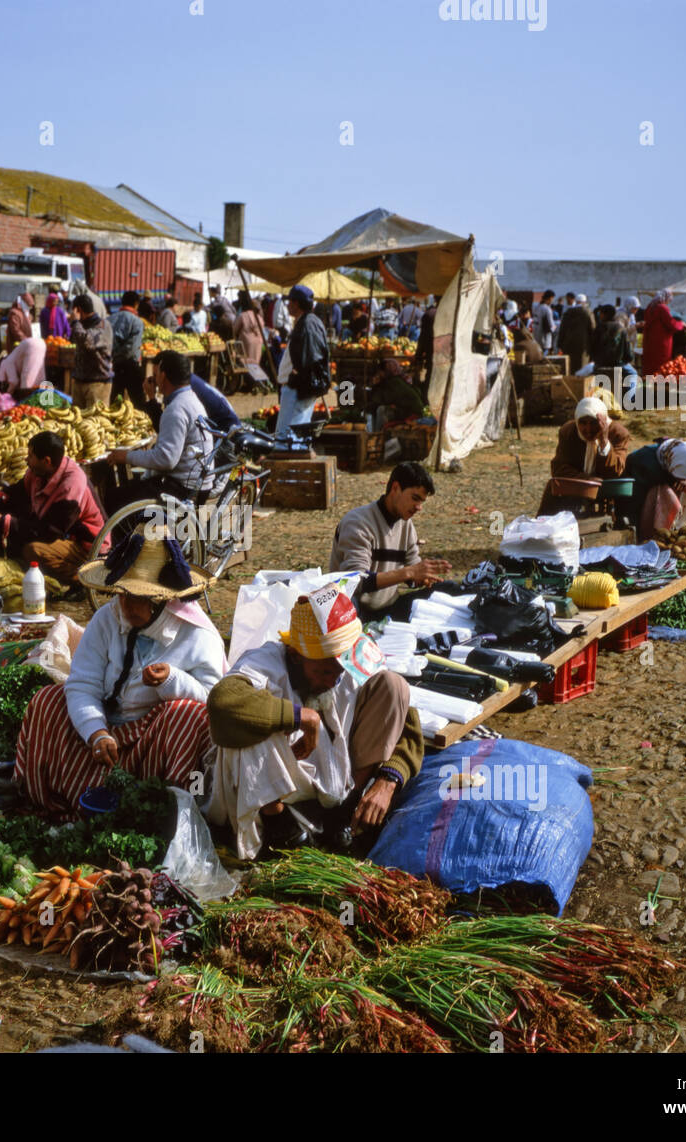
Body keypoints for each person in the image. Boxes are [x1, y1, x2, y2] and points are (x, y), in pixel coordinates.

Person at [15, 527, 225, 814]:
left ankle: (164, 812)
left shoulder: (198, 636)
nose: (125, 605)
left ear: (162, 599)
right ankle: (52, 801)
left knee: (189, 716)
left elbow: (213, 701)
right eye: (122, 594)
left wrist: (173, 681)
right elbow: (82, 684)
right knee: (48, 701)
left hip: (151, 742)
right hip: (102, 736)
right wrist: (97, 733)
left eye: (137, 597)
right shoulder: (107, 618)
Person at [207, 585, 424, 859]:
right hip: (276, 792)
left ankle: (346, 813)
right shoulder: (265, 662)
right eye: (322, 670)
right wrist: (302, 717)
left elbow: (406, 720)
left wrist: (388, 779)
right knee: (249, 716)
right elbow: (222, 702)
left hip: (332, 785)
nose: (333, 679)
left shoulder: (344, 666)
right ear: (296, 656)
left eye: (339, 669)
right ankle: (280, 828)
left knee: (393, 686)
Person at [328, 462, 451, 623]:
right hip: (352, 610)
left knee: (448, 590)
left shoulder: (406, 525)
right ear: (395, 488)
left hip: (388, 608)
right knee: (349, 606)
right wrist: (408, 573)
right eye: (415, 498)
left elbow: (412, 570)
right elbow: (355, 581)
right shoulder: (358, 522)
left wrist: (422, 577)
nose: (418, 507)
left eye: (422, 502)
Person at [0, 430, 106, 584]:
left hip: (87, 544)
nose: (26, 459)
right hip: (58, 533)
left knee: (32, 551)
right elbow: (18, 490)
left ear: (46, 461)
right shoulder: (39, 472)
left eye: (31, 456)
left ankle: (83, 579)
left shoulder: (71, 487)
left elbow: (49, 531)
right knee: (3, 518)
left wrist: (4, 522)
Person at [104, 349, 215, 512]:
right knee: (130, 490)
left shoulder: (177, 408)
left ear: (163, 376)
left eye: (156, 375)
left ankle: (120, 537)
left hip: (184, 490)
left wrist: (126, 456)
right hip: (197, 484)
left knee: (115, 499)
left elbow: (165, 459)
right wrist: (152, 399)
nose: (154, 380)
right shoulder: (189, 398)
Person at [537, 396, 632, 515]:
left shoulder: (618, 433)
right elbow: (559, 468)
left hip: (607, 486)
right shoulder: (569, 432)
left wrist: (604, 442)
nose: (588, 429)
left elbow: (616, 471)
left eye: (593, 423)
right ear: (577, 421)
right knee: (552, 488)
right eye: (583, 423)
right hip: (577, 484)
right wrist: (586, 480)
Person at [620, 437, 686, 541]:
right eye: (680, 476)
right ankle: (654, 533)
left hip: (667, 477)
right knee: (662, 490)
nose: (684, 479)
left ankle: (681, 524)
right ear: (671, 466)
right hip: (644, 492)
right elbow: (633, 495)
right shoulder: (643, 460)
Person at [276, 284, 329, 441]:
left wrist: (295, 379)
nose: (287, 305)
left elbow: (310, 362)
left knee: (288, 441)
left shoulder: (308, 325)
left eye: (289, 302)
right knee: (292, 439)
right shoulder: (308, 321)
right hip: (299, 389)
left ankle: (291, 466)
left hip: (298, 390)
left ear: (296, 303)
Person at [67, 293, 114, 408]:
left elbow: (87, 342)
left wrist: (75, 322)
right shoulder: (82, 325)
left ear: (78, 311)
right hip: (80, 381)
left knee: (96, 422)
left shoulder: (103, 325)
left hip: (98, 383)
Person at [109, 289, 146, 405]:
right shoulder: (137, 322)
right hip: (129, 366)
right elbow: (132, 348)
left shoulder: (109, 319)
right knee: (138, 403)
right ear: (136, 304)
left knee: (114, 402)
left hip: (113, 366)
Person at [641, 289, 686, 377]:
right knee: (660, 363)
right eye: (669, 299)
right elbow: (671, 323)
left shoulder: (650, 307)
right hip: (661, 341)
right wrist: (681, 324)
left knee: (650, 361)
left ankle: (647, 381)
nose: (669, 302)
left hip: (649, 339)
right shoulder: (662, 308)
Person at [0, 335, 48, 403]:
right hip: (41, 343)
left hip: (31, 346)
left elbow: (14, 381)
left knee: (27, 380)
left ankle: (27, 403)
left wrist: (8, 394)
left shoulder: (5, 363)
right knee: (39, 375)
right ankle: (41, 401)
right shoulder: (10, 358)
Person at [556, 293, 596, 373]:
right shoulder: (588, 312)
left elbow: (562, 329)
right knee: (581, 367)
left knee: (569, 366)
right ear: (584, 302)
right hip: (583, 344)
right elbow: (592, 328)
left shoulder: (568, 312)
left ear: (576, 301)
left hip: (568, 344)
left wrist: (560, 344)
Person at [590, 304, 634, 373]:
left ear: (604, 315)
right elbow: (628, 351)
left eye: (600, 313)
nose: (599, 315)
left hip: (600, 363)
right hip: (618, 364)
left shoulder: (598, 328)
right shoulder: (621, 328)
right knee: (633, 373)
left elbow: (592, 347)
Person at [233, 293, 266, 369]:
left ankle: (245, 379)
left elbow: (235, 329)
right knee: (255, 364)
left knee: (244, 363)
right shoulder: (259, 318)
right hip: (258, 343)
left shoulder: (243, 315)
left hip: (246, 343)